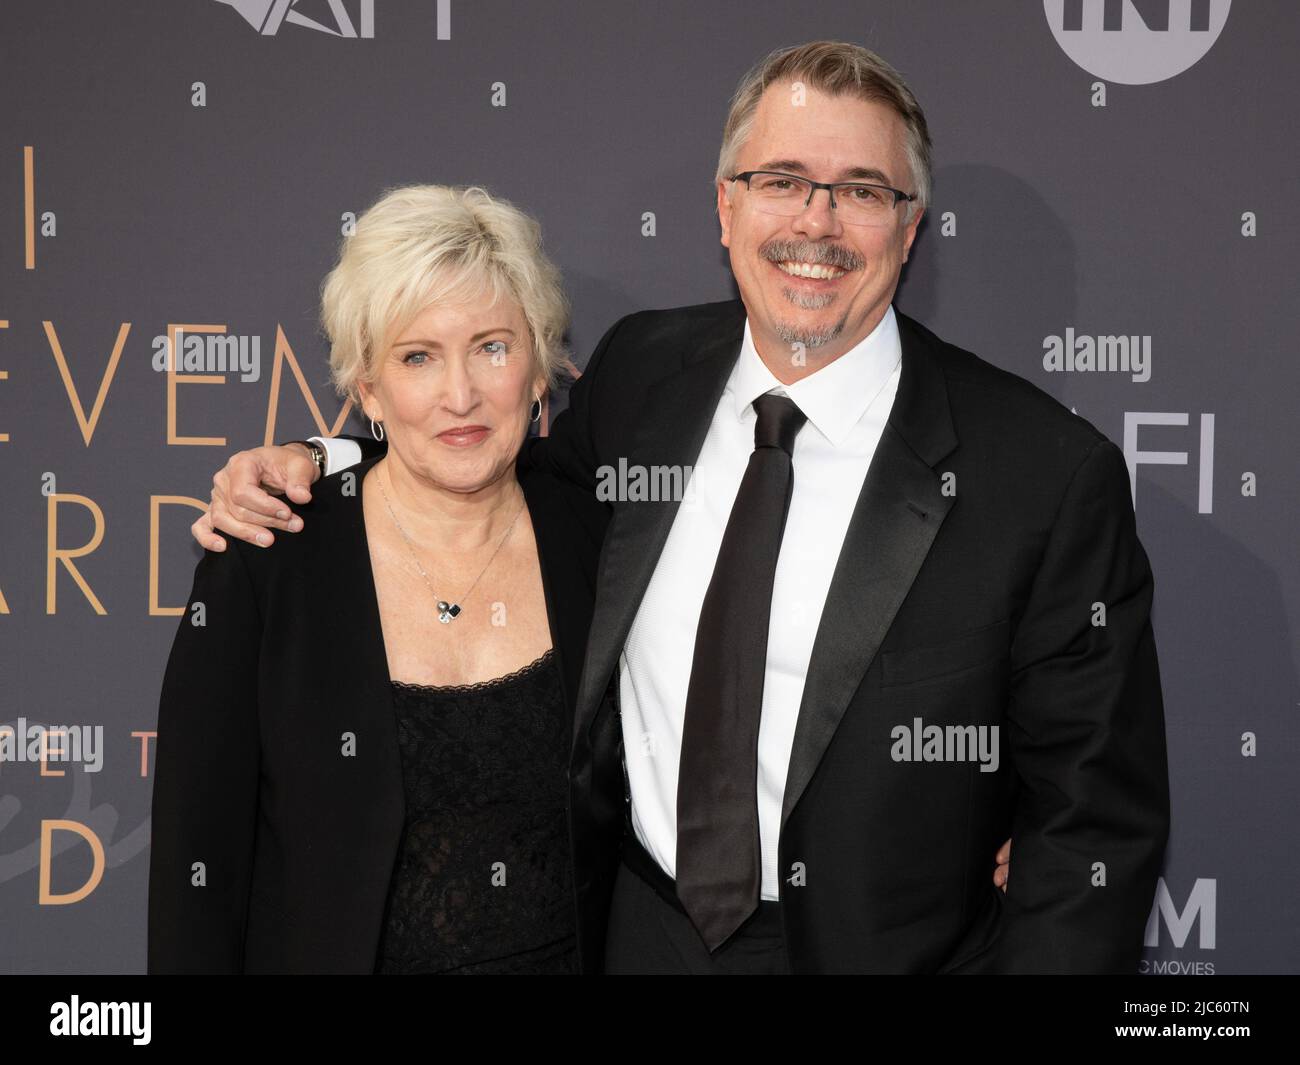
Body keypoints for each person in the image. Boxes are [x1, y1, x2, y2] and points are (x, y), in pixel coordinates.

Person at [193, 41, 1156, 975]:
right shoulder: (642, 378)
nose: (815, 224)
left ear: (909, 229)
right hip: (637, 935)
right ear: (726, 207)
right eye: (780, 179)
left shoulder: (1043, 476)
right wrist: (328, 460)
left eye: (862, 190)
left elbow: (1093, 832)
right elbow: (483, 463)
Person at [148, 184, 610, 973]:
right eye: (417, 356)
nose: (459, 394)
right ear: (367, 388)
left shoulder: (598, 541)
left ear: (539, 364)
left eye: (493, 346)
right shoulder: (269, 555)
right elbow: (200, 868)